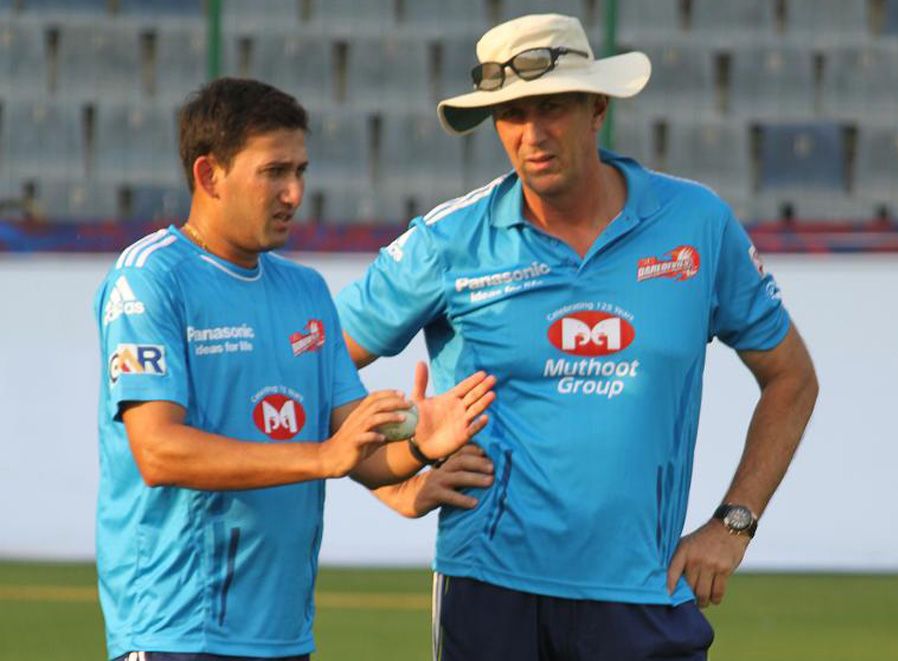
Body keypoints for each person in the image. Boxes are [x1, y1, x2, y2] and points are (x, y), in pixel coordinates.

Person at [335, 14, 818, 661]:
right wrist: (397, 472)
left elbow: (791, 377)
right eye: (510, 114)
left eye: (551, 108)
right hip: (489, 589)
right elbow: (311, 365)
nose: (531, 134)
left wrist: (735, 521)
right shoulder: (449, 242)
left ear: (597, 107)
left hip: (645, 590)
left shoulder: (696, 223)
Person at [93, 77, 495, 661]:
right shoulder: (149, 280)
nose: (294, 193)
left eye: (301, 172)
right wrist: (321, 457)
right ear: (209, 176)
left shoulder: (305, 290)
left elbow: (359, 449)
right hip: (174, 630)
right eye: (274, 172)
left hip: (283, 635)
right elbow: (158, 452)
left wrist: (419, 439)